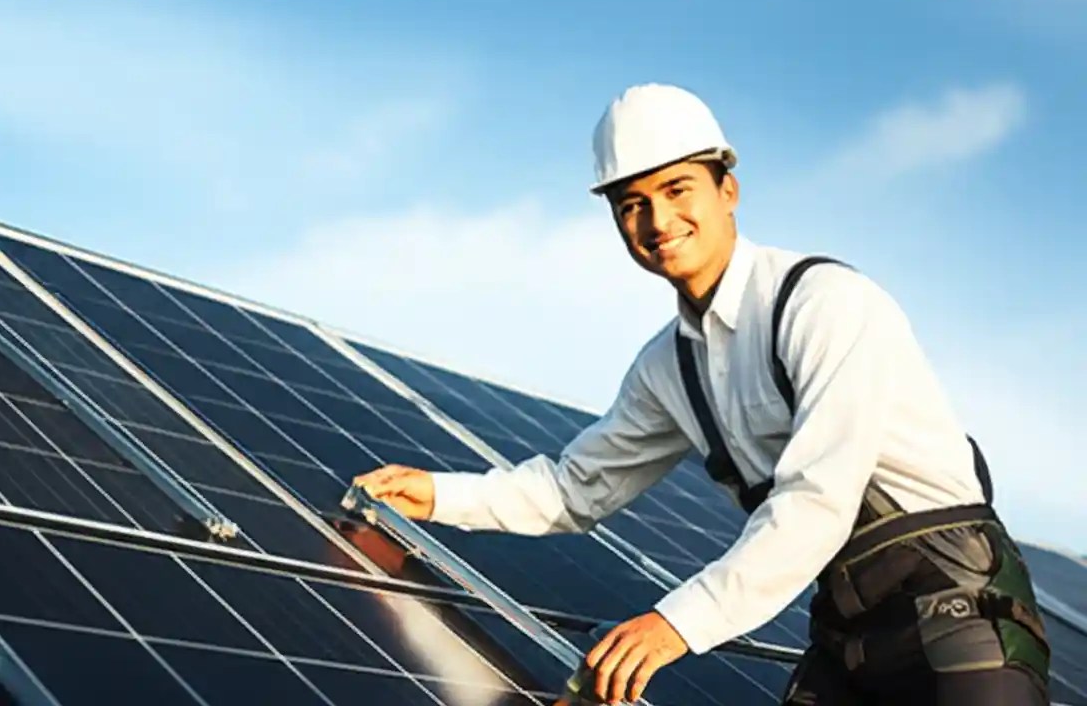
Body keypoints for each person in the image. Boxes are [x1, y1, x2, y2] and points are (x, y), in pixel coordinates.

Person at [351, 83, 1051, 705]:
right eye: (632, 204)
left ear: (728, 190)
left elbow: (818, 500)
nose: (657, 222)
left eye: (678, 189)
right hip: (846, 633)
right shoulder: (668, 366)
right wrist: (441, 495)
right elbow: (575, 489)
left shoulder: (825, 304)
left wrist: (675, 624)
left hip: (956, 609)